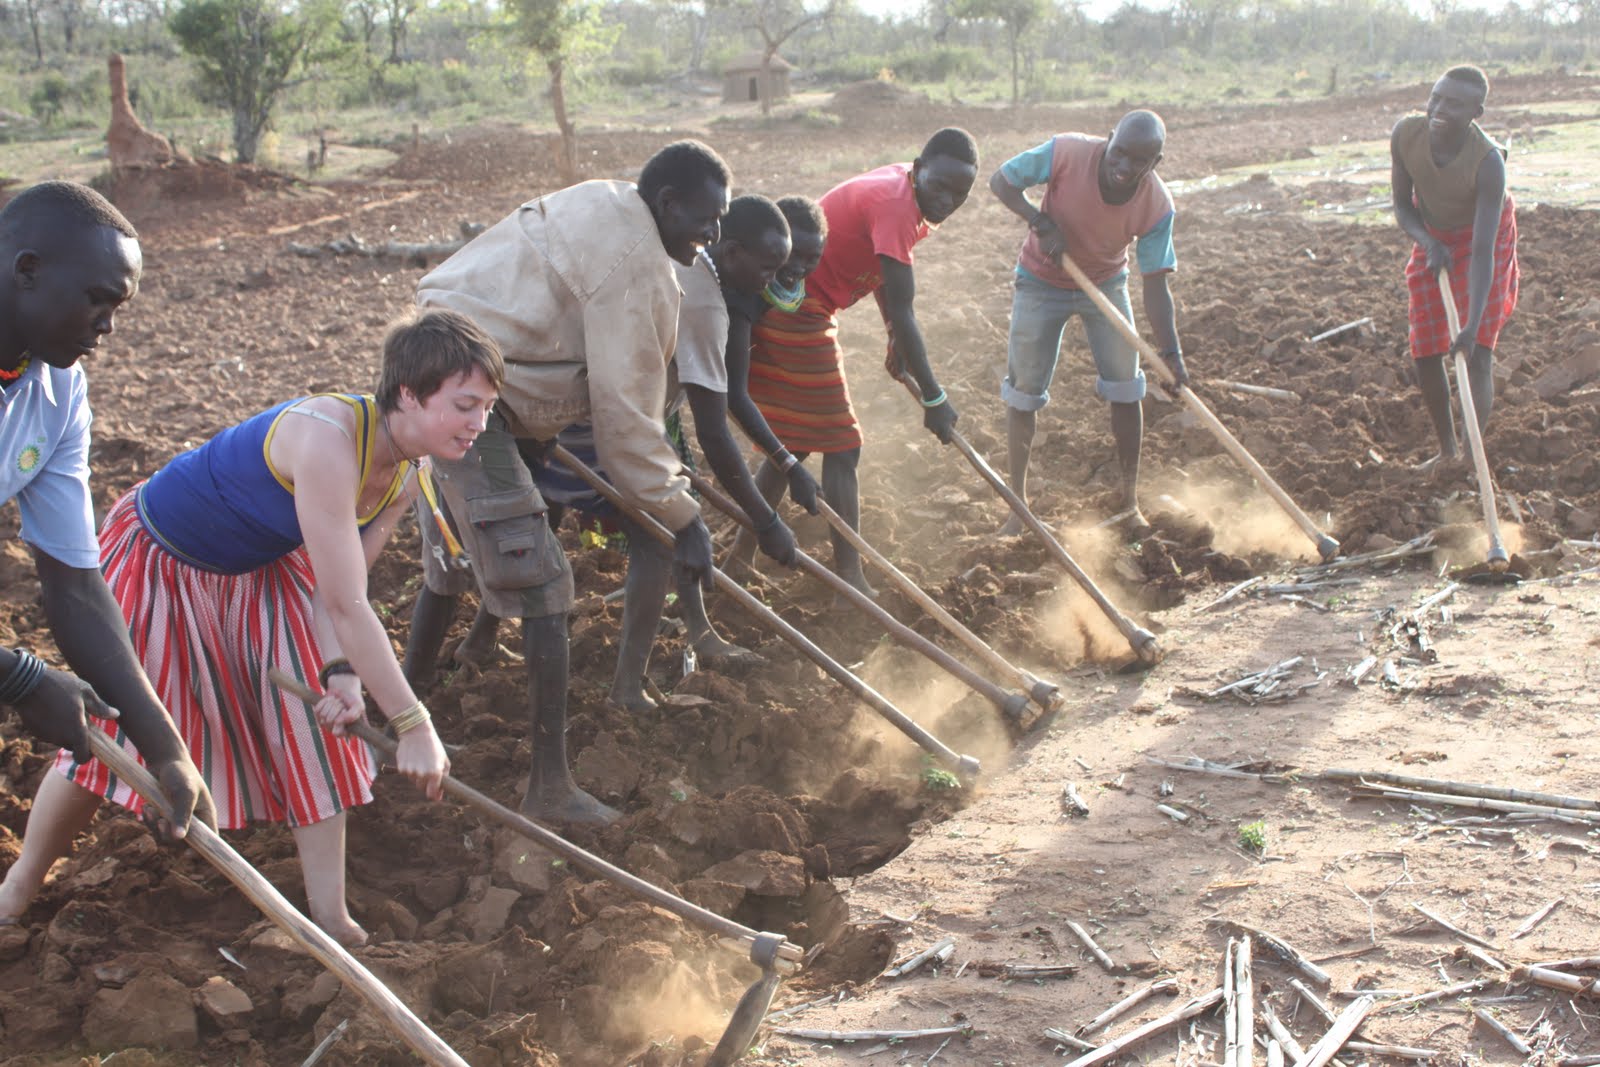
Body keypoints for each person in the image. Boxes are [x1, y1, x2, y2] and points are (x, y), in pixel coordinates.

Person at [3, 309, 500, 946]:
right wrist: (412, 722)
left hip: (259, 570)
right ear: (409, 393)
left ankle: (329, 918)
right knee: (109, 730)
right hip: (163, 558)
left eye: (487, 407)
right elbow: (349, 604)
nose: (478, 424)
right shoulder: (329, 438)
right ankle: (20, 884)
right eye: (465, 405)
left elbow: (331, 593)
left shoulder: (409, 468)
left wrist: (341, 674)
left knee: (316, 730)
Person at [404, 140, 732, 826]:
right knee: (547, 586)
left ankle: (405, 716)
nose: (712, 237)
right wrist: (685, 518)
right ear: (668, 203)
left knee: (460, 560)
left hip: (450, 363)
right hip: (468, 391)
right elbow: (626, 422)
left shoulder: (607, 201)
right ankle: (548, 786)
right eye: (706, 219)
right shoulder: (637, 263)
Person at [0, 182, 213, 927]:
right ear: (26, 268)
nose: (107, 328)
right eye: (98, 299)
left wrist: (166, 749)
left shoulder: (56, 393)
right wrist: (22, 676)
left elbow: (76, 583)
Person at [732, 129, 979, 595]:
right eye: (940, 186)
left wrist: (892, 336)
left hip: (803, 302)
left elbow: (887, 277)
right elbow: (905, 305)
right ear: (917, 166)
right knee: (842, 446)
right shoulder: (897, 205)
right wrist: (934, 396)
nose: (947, 200)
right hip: (795, 303)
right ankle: (850, 577)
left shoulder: (908, 197)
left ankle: (739, 560)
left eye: (960, 194)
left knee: (793, 444)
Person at [989, 109, 1187, 538]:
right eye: (1119, 154)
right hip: (1040, 280)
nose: (1124, 167)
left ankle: (1130, 502)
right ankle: (1017, 509)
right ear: (1109, 139)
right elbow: (1001, 180)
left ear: (1155, 163)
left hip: (1105, 284)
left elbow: (1155, 286)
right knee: (1023, 391)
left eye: (1139, 162)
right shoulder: (1066, 152)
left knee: (1126, 384)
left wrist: (1170, 353)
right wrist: (1039, 220)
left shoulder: (1156, 205)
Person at [1390, 64, 1517, 471]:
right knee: (1425, 350)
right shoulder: (1406, 135)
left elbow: (1483, 252)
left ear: (1476, 113)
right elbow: (1401, 205)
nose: (1440, 109)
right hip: (1433, 233)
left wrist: (1472, 324)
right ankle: (1446, 452)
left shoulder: (1488, 163)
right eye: (1437, 97)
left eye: (1455, 104)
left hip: (1484, 236)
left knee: (1477, 352)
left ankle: (1470, 455)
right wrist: (1428, 242)